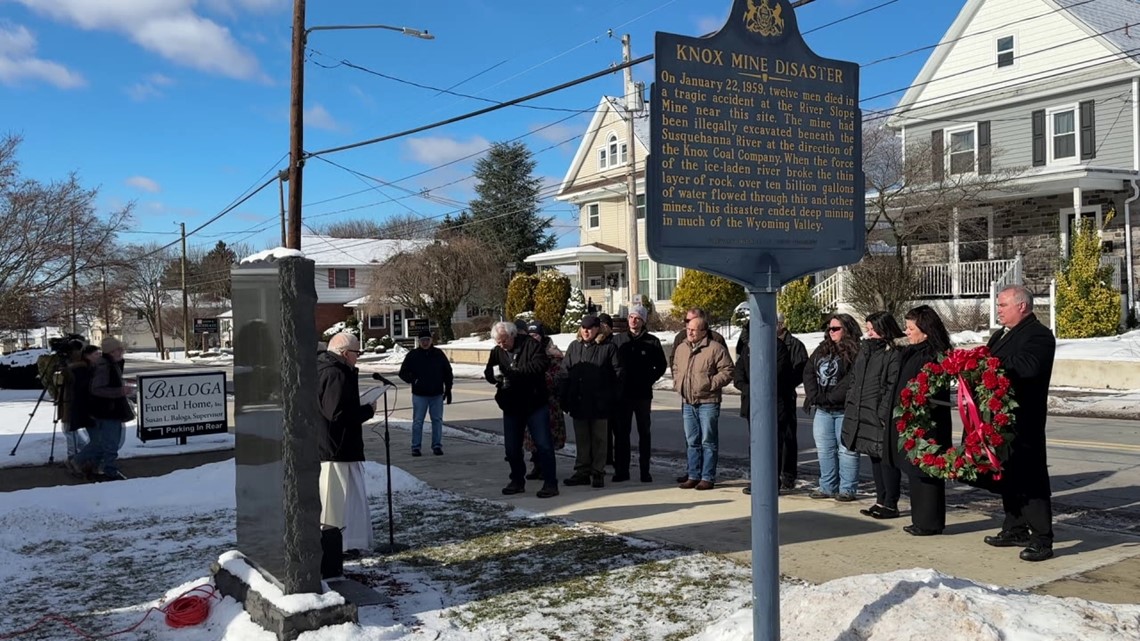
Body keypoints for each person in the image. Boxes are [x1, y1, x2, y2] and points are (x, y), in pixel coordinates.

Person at [983, 285, 1057, 562]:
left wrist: (989, 360)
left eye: (1003, 305)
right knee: (1008, 475)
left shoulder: (1039, 335)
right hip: (1000, 419)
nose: (998, 310)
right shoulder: (1001, 335)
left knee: (1031, 479)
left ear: (1022, 306)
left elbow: (1028, 366)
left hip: (1024, 419)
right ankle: (1014, 527)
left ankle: (1042, 539)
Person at [317, 332, 377, 573]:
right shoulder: (334, 373)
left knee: (344, 500)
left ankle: (346, 542)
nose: (358, 358)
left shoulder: (328, 368)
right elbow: (337, 413)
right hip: (334, 447)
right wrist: (366, 411)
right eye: (356, 353)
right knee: (334, 502)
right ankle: (334, 546)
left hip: (336, 447)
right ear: (344, 353)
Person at [893, 305, 953, 536]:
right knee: (914, 471)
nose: (906, 332)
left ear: (925, 331)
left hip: (929, 422)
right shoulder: (912, 352)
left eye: (910, 328)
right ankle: (920, 519)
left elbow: (931, 389)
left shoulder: (933, 355)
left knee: (927, 470)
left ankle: (929, 521)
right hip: (911, 421)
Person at [484, 321, 559, 498]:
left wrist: (515, 373)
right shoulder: (497, 351)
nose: (502, 345)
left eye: (504, 341)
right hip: (511, 404)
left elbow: (540, 366)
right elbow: (489, 370)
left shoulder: (531, 345)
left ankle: (550, 483)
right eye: (498, 342)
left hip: (534, 403)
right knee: (511, 448)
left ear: (512, 335)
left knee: (544, 445)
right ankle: (517, 480)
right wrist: (494, 377)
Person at [841, 312, 904, 519]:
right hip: (862, 410)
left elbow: (891, 385)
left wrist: (883, 412)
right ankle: (880, 499)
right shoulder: (865, 351)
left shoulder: (892, 352)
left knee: (887, 460)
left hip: (879, 414)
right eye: (867, 328)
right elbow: (854, 379)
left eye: (873, 329)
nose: (869, 332)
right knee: (874, 458)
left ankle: (891, 503)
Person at [557, 315, 622, 488]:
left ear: (597, 329)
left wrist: (611, 397)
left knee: (600, 439)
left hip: (600, 402)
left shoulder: (608, 347)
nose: (586, 331)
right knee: (582, 439)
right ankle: (582, 471)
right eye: (584, 328)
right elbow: (565, 372)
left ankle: (598, 472)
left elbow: (617, 373)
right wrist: (563, 397)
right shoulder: (574, 347)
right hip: (578, 401)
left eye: (590, 328)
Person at [803, 313, 861, 501]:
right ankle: (827, 486)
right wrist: (814, 395)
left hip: (844, 410)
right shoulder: (822, 349)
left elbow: (851, 380)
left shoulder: (856, 351)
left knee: (846, 450)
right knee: (825, 450)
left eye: (836, 328)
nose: (831, 332)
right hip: (823, 410)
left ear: (847, 329)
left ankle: (847, 489)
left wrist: (830, 397)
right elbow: (809, 371)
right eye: (829, 328)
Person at [733, 317, 793, 495]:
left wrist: (760, 389)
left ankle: (773, 482)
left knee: (773, 444)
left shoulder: (778, 347)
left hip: (775, 405)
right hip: (752, 404)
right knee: (756, 444)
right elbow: (738, 375)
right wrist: (749, 389)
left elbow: (777, 374)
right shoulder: (747, 349)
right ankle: (758, 480)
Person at [674, 315, 735, 490]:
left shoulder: (715, 349)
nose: (690, 332)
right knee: (692, 440)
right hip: (687, 402)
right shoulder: (681, 348)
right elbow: (676, 367)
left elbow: (728, 370)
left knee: (708, 441)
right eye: (688, 329)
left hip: (708, 401)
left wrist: (710, 384)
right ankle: (693, 475)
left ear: (703, 332)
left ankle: (707, 477)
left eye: (694, 329)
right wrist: (679, 383)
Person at [614, 304, 667, 483]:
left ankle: (645, 471)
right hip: (623, 395)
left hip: (643, 394)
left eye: (637, 318)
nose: (633, 320)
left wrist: (648, 378)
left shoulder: (652, 341)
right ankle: (622, 470)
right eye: (631, 317)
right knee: (622, 433)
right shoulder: (619, 340)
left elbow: (661, 365)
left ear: (643, 320)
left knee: (644, 432)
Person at [76, 337, 134, 482]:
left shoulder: (110, 364)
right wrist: (120, 391)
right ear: (112, 351)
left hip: (109, 410)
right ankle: (108, 470)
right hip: (108, 411)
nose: (122, 351)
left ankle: (91, 467)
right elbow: (97, 389)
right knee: (110, 442)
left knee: (107, 442)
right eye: (119, 349)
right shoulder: (104, 366)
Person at [398, 329, 453, 457]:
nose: (425, 342)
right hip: (419, 395)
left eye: (427, 340)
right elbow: (403, 373)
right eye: (422, 340)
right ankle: (416, 447)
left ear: (431, 340)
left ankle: (437, 446)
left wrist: (448, 389)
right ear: (419, 341)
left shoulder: (438, 354)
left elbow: (447, 372)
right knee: (418, 421)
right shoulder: (413, 355)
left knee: (437, 420)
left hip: (437, 394)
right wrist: (414, 380)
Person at [523, 321, 566, 480]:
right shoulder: (526, 352)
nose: (533, 338)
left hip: (550, 402)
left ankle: (546, 468)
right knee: (533, 436)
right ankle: (536, 465)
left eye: (536, 335)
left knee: (547, 437)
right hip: (531, 401)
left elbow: (558, 376)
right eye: (531, 335)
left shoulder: (553, 354)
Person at [777, 313, 808, 489]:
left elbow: (801, 368)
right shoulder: (758, 342)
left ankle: (788, 475)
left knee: (787, 437)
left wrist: (784, 382)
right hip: (766, 399)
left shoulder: (795, 345)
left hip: (786, 396)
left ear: (781, 325)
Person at [66, 345, 100, 478]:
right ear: (87, 356)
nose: (99, 356)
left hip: (88, 409)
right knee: (98, 440)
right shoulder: (82, 370)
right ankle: (77, 461)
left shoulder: (89, 368)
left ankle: (89, 464)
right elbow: (85, 391)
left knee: (98, 439)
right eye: (96, 354)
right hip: (87, 410)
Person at [670, 307, 727, 373]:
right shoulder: (680, 337)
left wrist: (712, 382)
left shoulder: (716, 339)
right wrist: (677, 379)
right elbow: (673, 360)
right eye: (687, 321)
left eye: (692, 320)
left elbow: (726, 368)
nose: (689, 324)